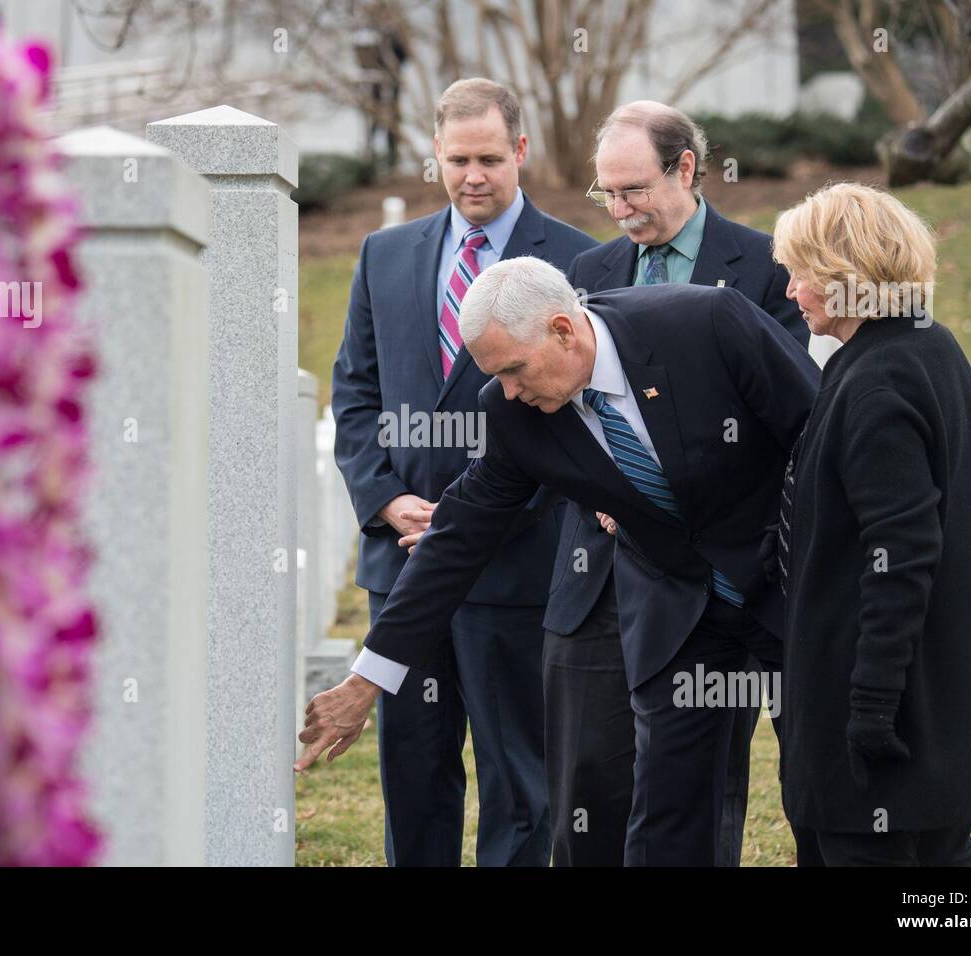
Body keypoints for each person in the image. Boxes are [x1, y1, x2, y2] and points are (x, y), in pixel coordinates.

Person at [304, 255, 820, 867]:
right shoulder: (512, 411)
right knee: (666, 817)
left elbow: (818, 437)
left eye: (516, 370)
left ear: (562, 328)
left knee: (822, 792)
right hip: (682, 611)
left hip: (792, 587)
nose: (511, 390)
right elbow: (455, 543)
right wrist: (368, 680)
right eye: (497, 377)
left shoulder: (704, 321)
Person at [330, 78, 597, 866]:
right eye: (457, 159)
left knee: (521, 782)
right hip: (400, 565)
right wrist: (386, 501)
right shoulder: (385, 254)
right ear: (434, 158)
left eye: (488, 157)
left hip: (518, 566)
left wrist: (477, 519)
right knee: (413, 773)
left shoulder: (579, 260)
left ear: (520, 152)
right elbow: (355, 391)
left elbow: (581, 416)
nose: (472, 175)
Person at [545, 100, 810, 867]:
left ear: (686, 169)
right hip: (605, 572)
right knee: (593, 777)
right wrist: (601, 486)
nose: (621, 210)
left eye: (634, 190)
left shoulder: (764, 266)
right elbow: (560, 405)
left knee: (705, 775)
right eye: (607, 194)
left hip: (732, 572)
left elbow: (786, 413)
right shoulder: (587, 274)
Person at [770, 182, 971, 865]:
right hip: (939, 702)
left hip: (893, 715)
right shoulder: (923, 346)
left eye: (802, 272)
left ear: (842, 276)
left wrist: (868, 708)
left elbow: (902, 554)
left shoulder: (878, 382)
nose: (792, 289)